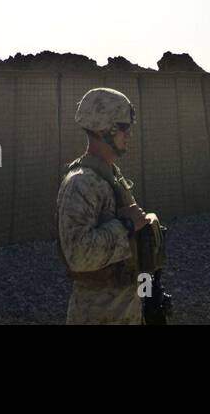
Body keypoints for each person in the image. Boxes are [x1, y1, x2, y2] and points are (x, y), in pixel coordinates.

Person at [55, 87, 158, 324]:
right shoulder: (80, 183)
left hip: (125, 307)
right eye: (124, 128)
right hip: (97, 313)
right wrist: (128, 225)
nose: (128, 134)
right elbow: (78, 255)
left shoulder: (110, 175)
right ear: (106, 131)